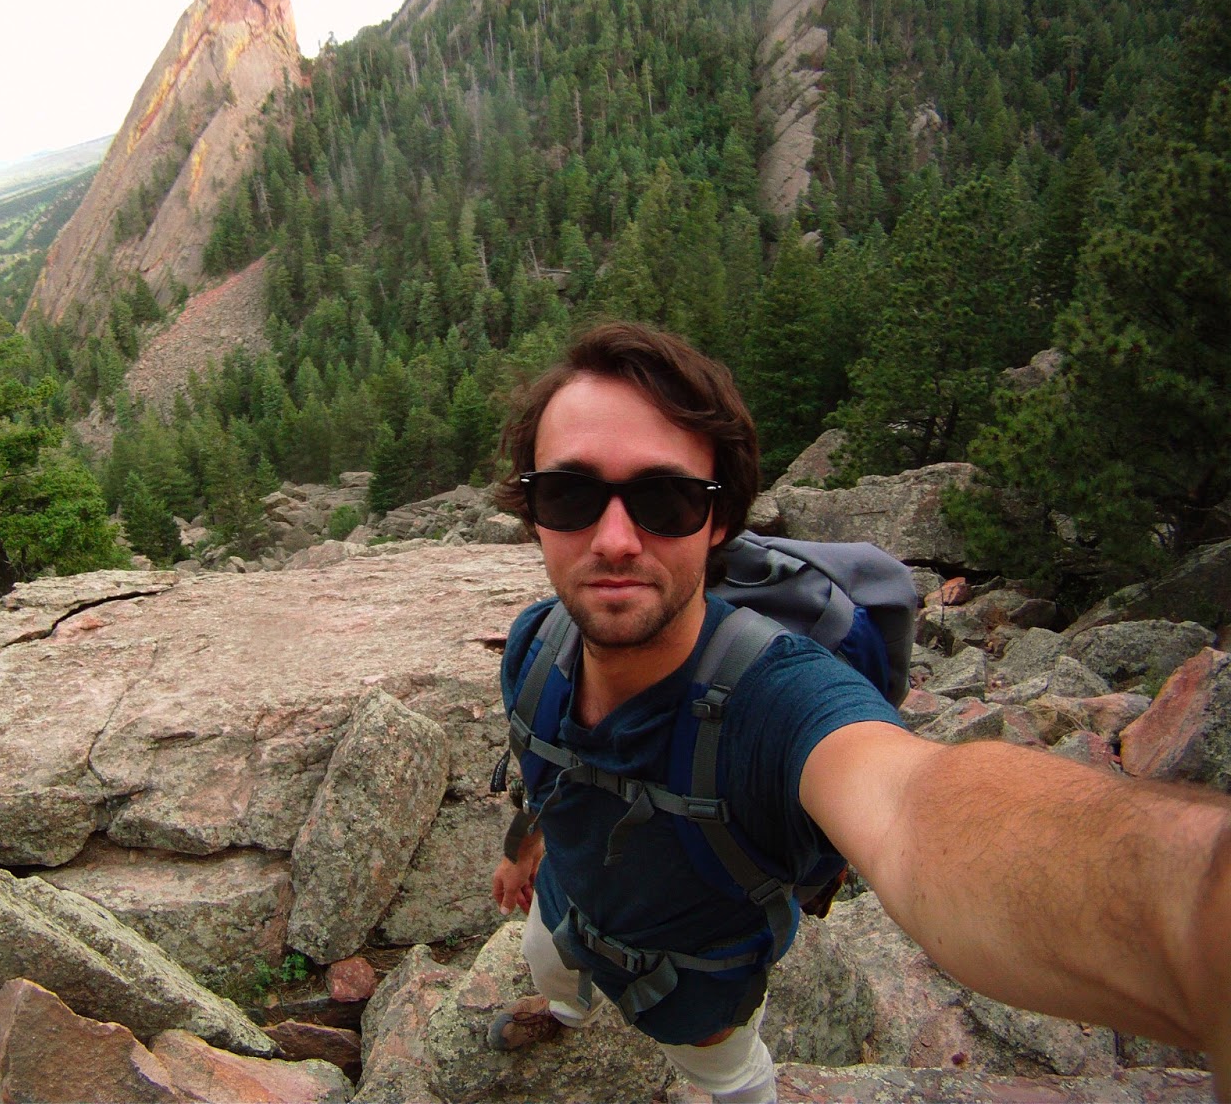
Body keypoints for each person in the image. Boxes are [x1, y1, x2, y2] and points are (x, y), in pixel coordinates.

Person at [486, 320, 1231, 1103]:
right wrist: (521, 849)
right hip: (568, 903)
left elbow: (912, 806)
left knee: (730, 1078)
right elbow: (547, 771)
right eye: (569, 493)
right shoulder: (537, 644)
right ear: (533, 513)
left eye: (665, 500)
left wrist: (1196, 919)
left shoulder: (780, 699)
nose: (613, 540)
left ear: (720, 523)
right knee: (550, 955)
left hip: (690, 988)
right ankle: (565, 1011)